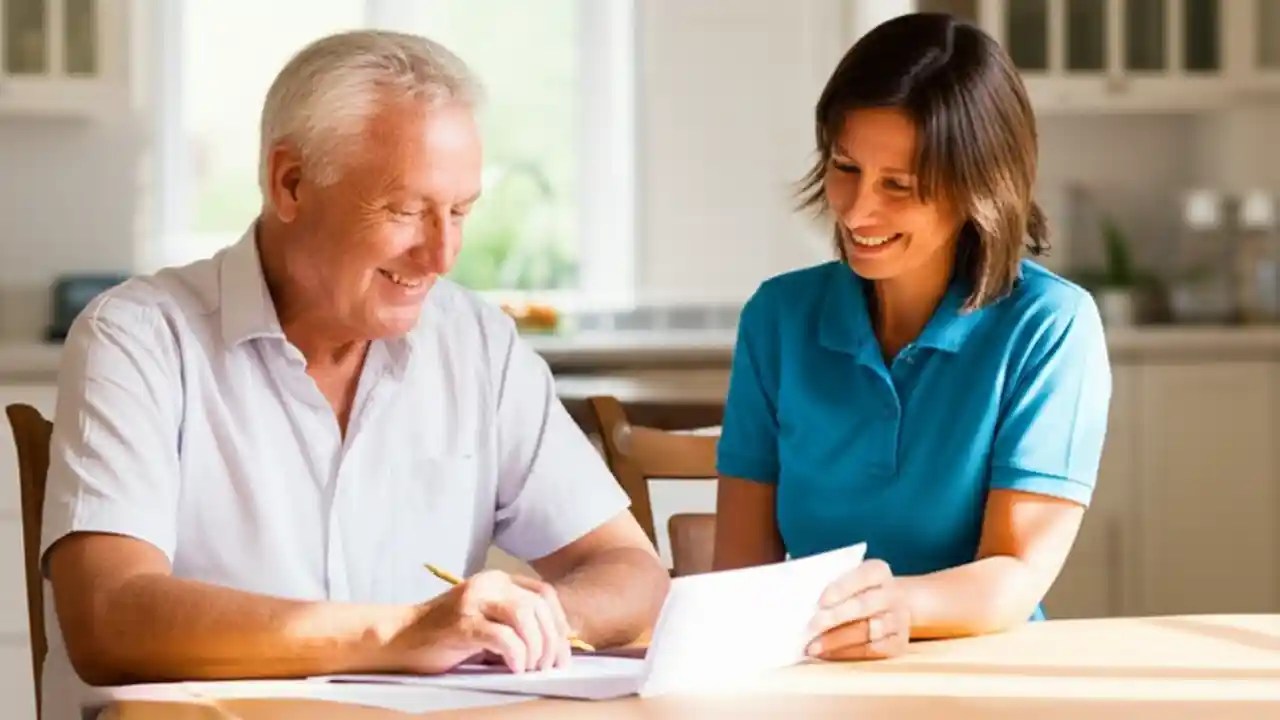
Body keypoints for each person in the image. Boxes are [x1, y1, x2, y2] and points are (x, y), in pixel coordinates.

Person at [40, 29, 668, 718]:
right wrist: (405, 631)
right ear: (291, 183)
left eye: (459, 212)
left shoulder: (478, 343)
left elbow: (633, 571)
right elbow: (109, 617)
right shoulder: (137, 337)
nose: (442, 254)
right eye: (404, 210)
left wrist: (534, 614)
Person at [712, 13, 1111, 661]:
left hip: (990, 679)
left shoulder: (1049, 326)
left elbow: (1014, 574)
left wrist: (903, 605)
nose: (857, 209)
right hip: (814, 676)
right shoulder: (777, 318)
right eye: (845, 167)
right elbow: (741, 574)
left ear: (980, 188)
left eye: (899, 185)